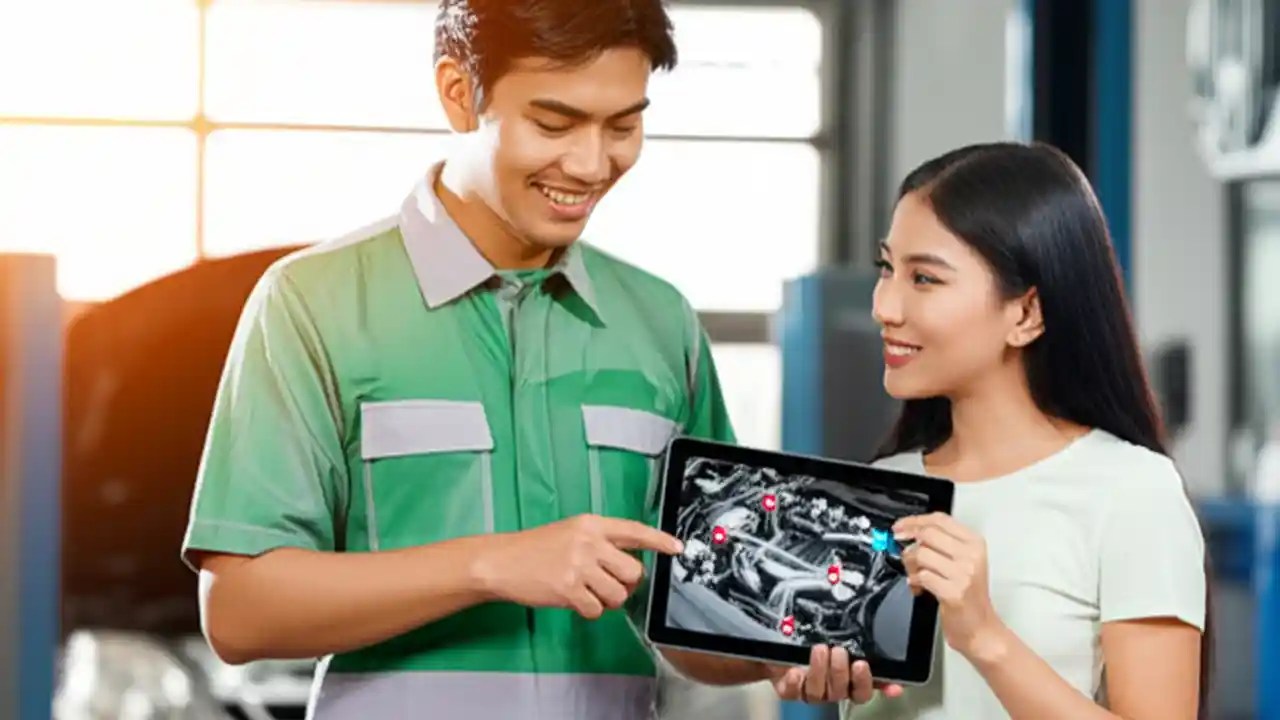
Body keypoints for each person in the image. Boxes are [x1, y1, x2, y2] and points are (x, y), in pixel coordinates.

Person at [181, 1, 900, 717]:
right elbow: (240, 613)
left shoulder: (659, 322)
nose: (592, 164)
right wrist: (488, 565)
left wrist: (786, 650)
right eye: (553, 123)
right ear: (460, 94)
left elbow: (690, 618)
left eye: (623, 124)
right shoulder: (314, 304)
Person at [846, 142, 1210, 720]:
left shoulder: (1132, 491)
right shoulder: (880, 489)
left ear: (1025, 314)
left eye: (924, 279)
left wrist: (985, 637)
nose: (884, 305)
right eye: (887, 268)